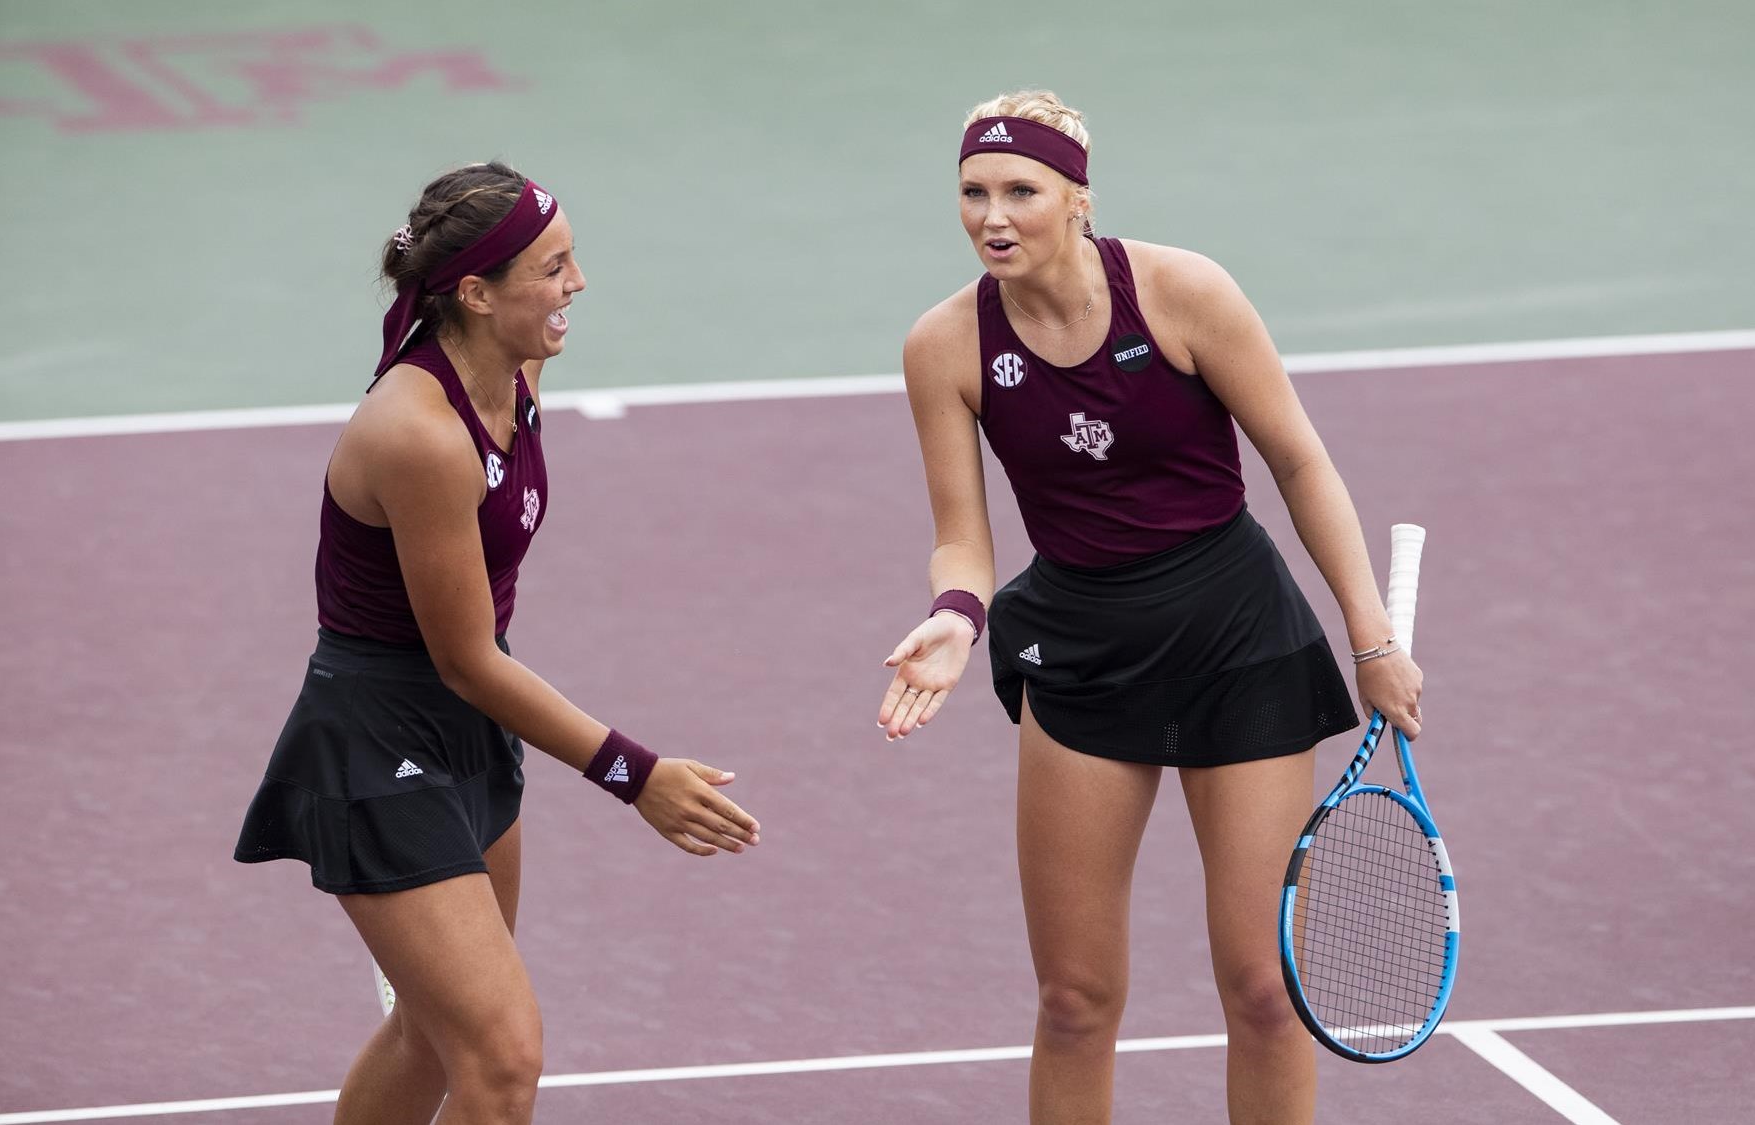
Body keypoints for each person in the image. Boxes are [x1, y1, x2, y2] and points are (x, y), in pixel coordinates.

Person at [876, 93, 1424, 1124]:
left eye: (1021, 191)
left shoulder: (1182, 292)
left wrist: (1372, 639)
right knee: (1074, 1000)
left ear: (1078, 198)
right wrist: (956, 615)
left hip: (1236, 642)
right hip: (1081, 652)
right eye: (973, 193)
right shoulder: (944, 346)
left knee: (1264, 989)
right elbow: (962, 533)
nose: (993, 216)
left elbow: (1299, 462)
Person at [234, 162, 761, 1124]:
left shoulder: (514, 372)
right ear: (475, 294)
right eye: (553, 268)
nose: (578, 284)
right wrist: (635, 774)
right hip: (377, 741)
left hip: (469, 733)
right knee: (502, 1059)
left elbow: (473, 669)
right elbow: (465, 658)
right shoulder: (419, 435)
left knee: (435, 1037)